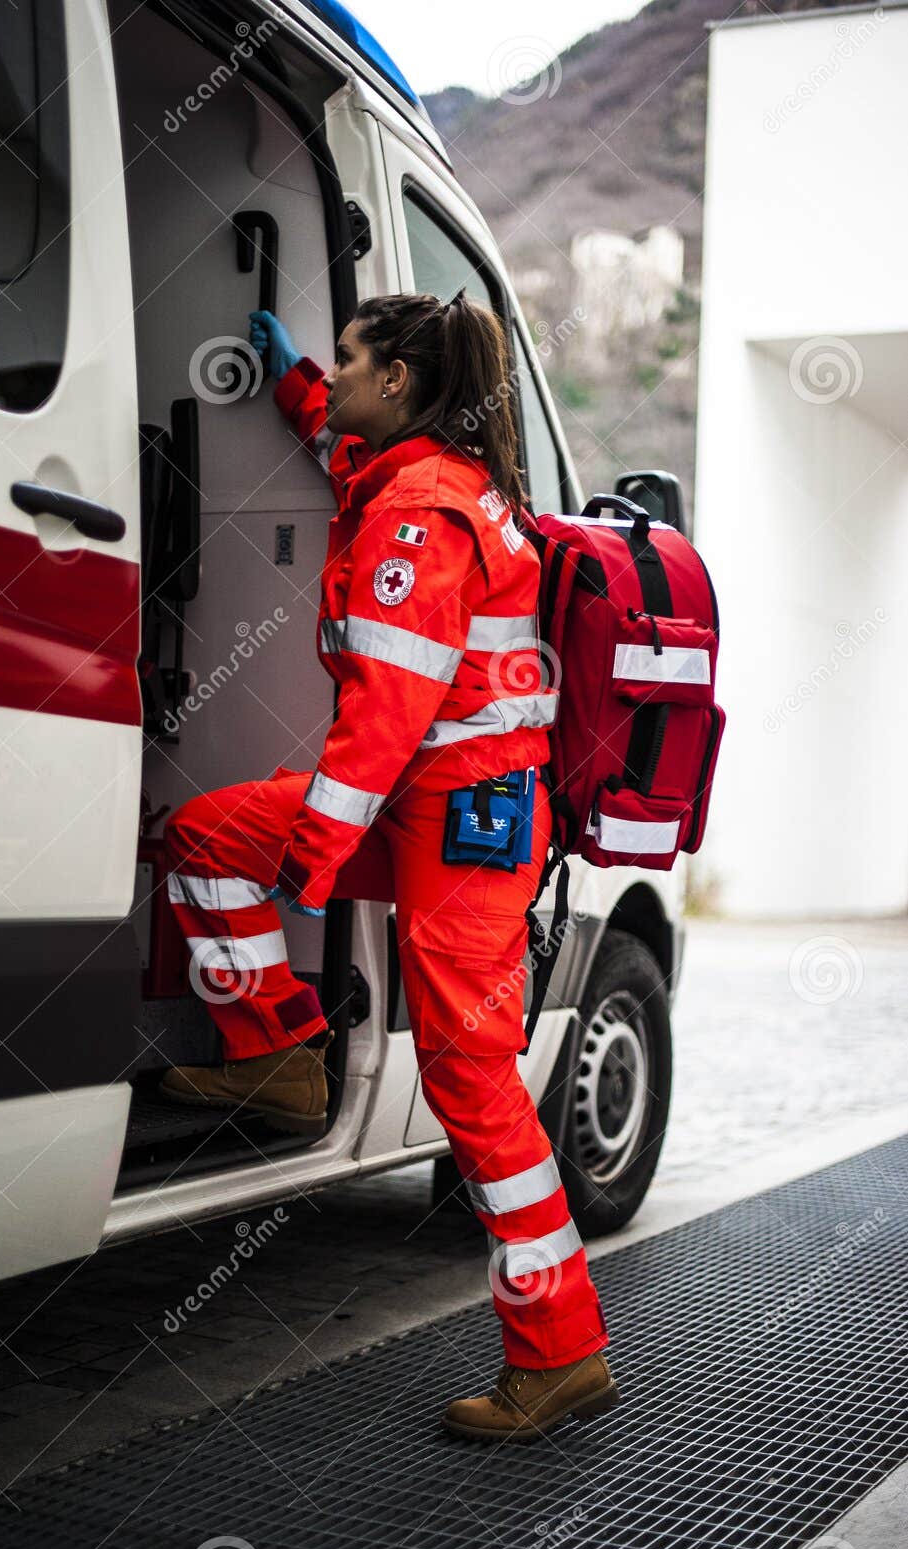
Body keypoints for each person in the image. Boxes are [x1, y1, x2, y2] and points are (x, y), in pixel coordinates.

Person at [159, 291, 617, 1443]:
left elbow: (386, 714)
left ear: (403, 384)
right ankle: (280, 1056)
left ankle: (559, 1352)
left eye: (357, 360)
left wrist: (312, 857)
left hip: (459, 813)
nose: (344, 378)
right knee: (208, 833)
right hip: (433, 801)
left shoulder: (419, 515)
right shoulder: (429, 476)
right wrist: (300, 385)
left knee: (474, 1081)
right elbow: (351, 443)